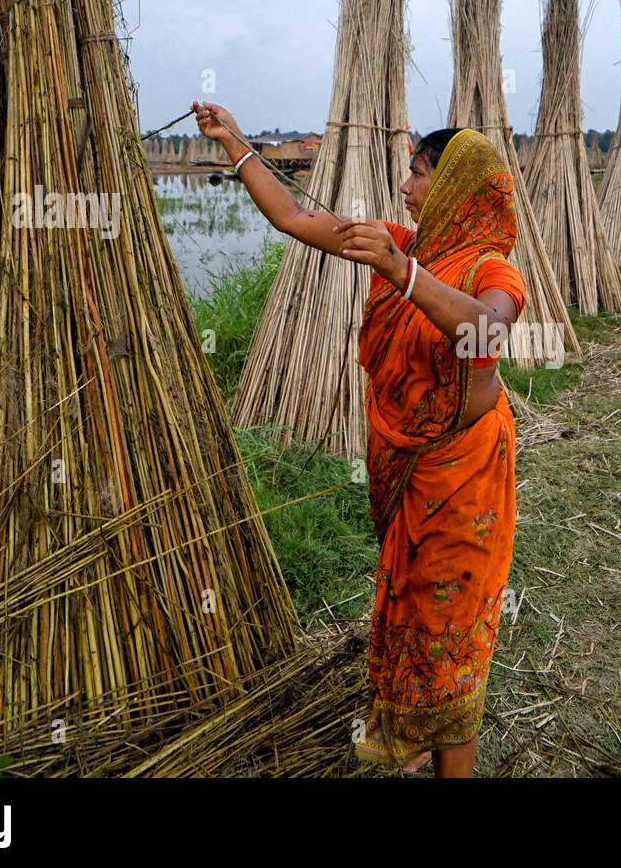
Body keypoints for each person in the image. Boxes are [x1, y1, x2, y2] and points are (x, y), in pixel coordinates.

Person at [192, 105, 524, 778]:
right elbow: (292, 218)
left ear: (456, 188)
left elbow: (487, 333)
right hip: (409, 473)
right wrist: (235, 143)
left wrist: (405, 275)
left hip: (463, 485)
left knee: (448, 635)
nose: (406, 189)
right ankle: (418, 735)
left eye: (420, 176)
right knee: (411, 614)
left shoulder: (491, 271)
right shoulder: (406, 245)